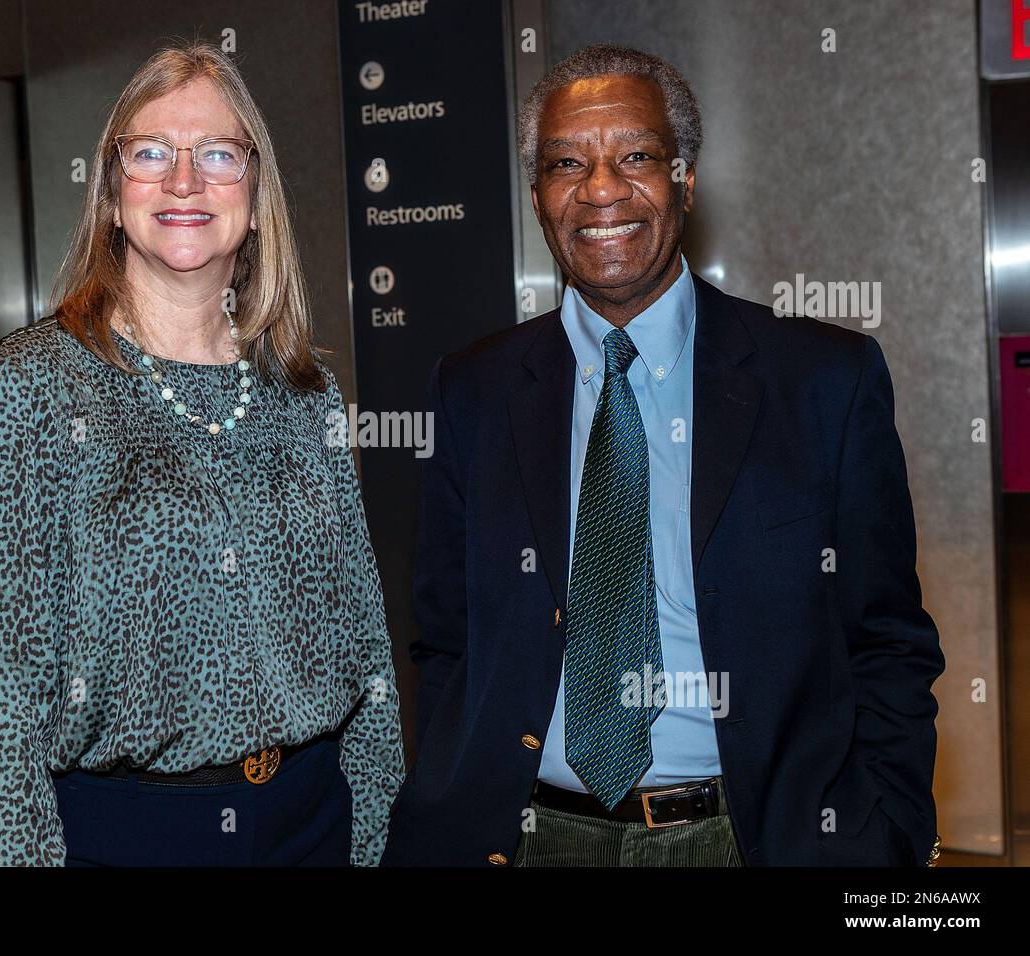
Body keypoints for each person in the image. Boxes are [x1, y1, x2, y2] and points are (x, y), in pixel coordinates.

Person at [380, 43, 943, 867]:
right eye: (566, 163)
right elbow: (446, 638)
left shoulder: (823, 381)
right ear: (538, 197)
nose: (601, 189)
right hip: (526, 838)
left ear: (685, 175)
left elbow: (885, 638)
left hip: (750, 839)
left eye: (636, 156)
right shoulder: (473, 389)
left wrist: (890, 833)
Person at [0, 41, 404, 867]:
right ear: (113, 198)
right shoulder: (30, 389)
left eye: (218, 154)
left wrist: (373, 829)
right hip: (124, 838)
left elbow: (364, 639)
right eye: (151, 153)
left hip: (313, 821)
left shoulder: (306, 394)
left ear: (256, 200)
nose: (184, 180)